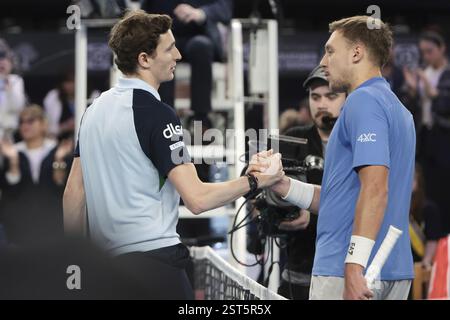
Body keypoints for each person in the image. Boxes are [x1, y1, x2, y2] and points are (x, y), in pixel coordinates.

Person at [63, 10, 283, 300]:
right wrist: (256, 182)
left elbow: (72, 196)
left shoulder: (92, 112)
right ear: (144, 59)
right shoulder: (157, 114)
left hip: (107, 273)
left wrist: (77, 261)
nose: (178, 55)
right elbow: (198, 199)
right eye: (169, 48)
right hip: (156, 268)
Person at [253, 16, 416, 300]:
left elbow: (376, 188)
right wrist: (283, 185)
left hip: (349, 270)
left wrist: (354, 265)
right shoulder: (400, 111)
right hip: (391, 269)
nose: (324, 62)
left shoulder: (362, 101)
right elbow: (339, 199)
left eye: (330, 51)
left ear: (356, 52)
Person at [276, 65, 346, 300]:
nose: (321, 104)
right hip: (299, 273)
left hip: (348, 272)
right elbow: (257, 183)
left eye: (331, 96)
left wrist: (311, 213)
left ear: (347, 98)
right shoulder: (294, 137)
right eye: (315, 97)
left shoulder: (361, 141)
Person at [142, 0, 233, 123]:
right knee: (162, 52)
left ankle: (201, 118)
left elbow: (225, 9)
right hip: (164, 37)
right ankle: (165, 118)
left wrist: (201, 13)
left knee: (200, 46)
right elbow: (143, 11)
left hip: (200, 35)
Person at [0, 106, 73, 246]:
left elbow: (60, 187)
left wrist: (58, 161)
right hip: (18, 228)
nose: (24, 126)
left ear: (43, 123)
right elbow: (10, 191)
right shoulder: (13, 152)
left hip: (51, 225)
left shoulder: (58, 150)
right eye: (21, 122)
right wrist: (14, 162)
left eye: (30, 121)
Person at [0, 38, 26, 141]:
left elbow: (18, 107)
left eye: (5, 61)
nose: (2, 63)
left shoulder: (16, 80)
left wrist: (9, 89)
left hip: (9, 132)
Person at [43, 70, 76, 139]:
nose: (69, 85)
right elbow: (47, 129)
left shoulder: (93, 95)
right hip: (60, 140)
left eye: (73, 81)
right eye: (67, 82)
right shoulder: (53, 96)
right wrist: (64, 127)